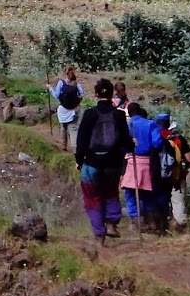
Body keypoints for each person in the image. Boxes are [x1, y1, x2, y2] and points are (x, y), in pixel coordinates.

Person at [75, 78, 134, 243]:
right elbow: (125, 141)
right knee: (110, 193)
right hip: (113, 164)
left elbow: (82, 140)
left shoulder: (89, 114)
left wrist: (79, 160)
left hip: (92, 163)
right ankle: (111, 224)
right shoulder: (119, 115)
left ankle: (99, 235)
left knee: (92, 198)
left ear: (95, 94)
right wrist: (131, 145)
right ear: (111, 94)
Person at [119, 102, 165, 233]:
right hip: (147, 162)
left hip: (130, 162)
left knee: (130, 193)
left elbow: (121, 145)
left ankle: (136, 223)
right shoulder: (151, 124)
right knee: (147, 193)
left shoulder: (127, 126)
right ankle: (151, 222)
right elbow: (157, 143)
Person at [158, 113, 190, 227]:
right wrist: (187, 169)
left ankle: (162, 222)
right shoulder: (179, 138)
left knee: (161, 197)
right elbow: (188, 159)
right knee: (178, 198)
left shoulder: (156, 138)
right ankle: (180, 222)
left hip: (159, 174)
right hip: (176, 174)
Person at [50, 66, 83, 151]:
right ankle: (75, 149)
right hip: (73, 110)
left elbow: (57, 95)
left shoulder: (61, 83)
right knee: (73, 129)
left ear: (65, 73)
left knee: (63, 128)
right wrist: (77, 103)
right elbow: (81, 94)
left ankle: (63, 146)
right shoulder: (77, 84)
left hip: (62, 110)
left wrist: (50, 88)